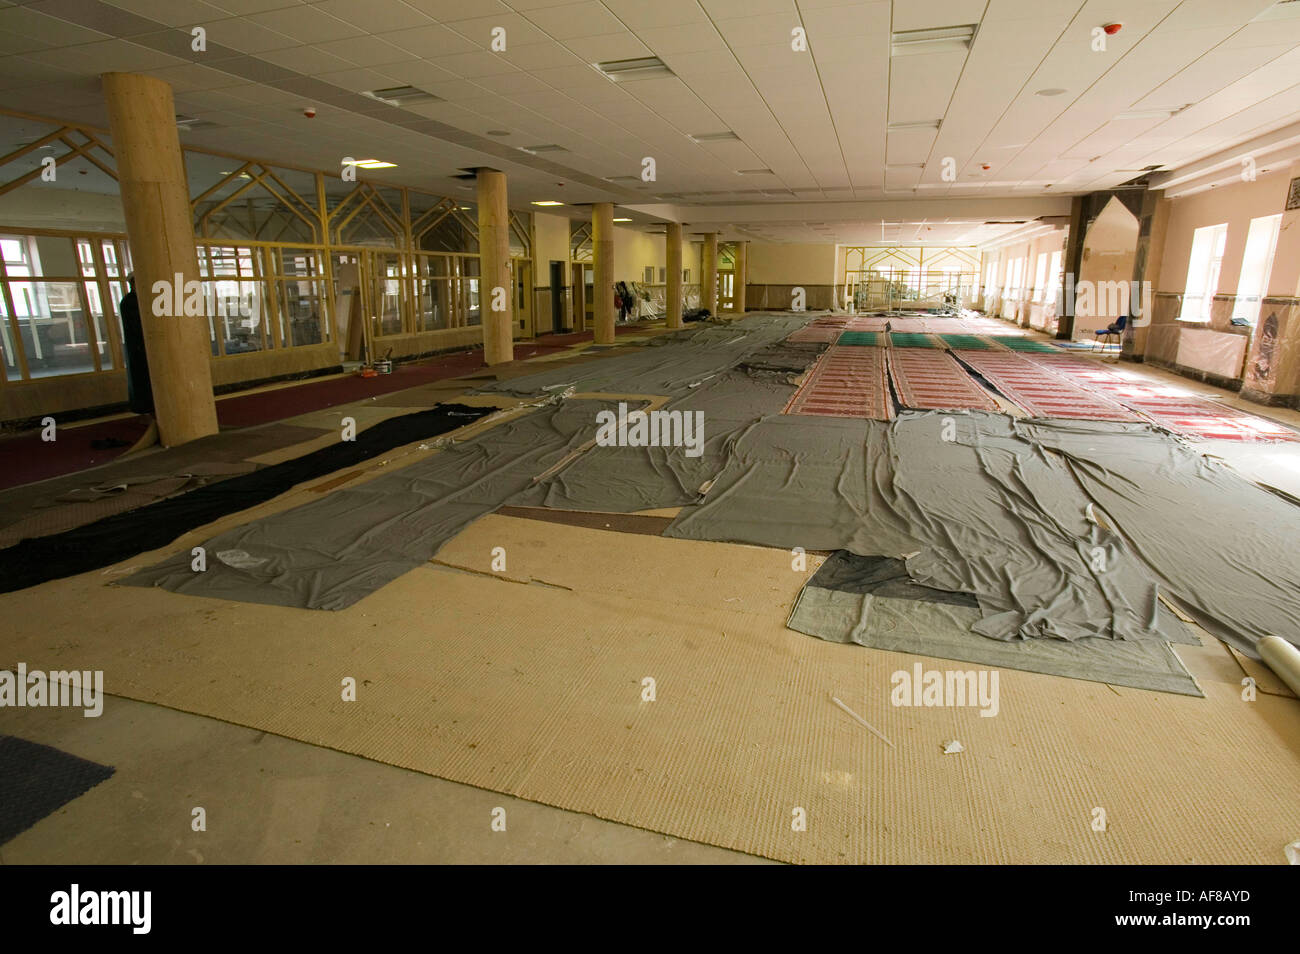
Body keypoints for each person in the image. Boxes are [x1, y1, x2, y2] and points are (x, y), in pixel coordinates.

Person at [119, 275, 154, 415]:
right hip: (138, 348)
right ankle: (144, 410)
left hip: (142, 347)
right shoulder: (130, 302)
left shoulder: (139, 300)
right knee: (141, 380)